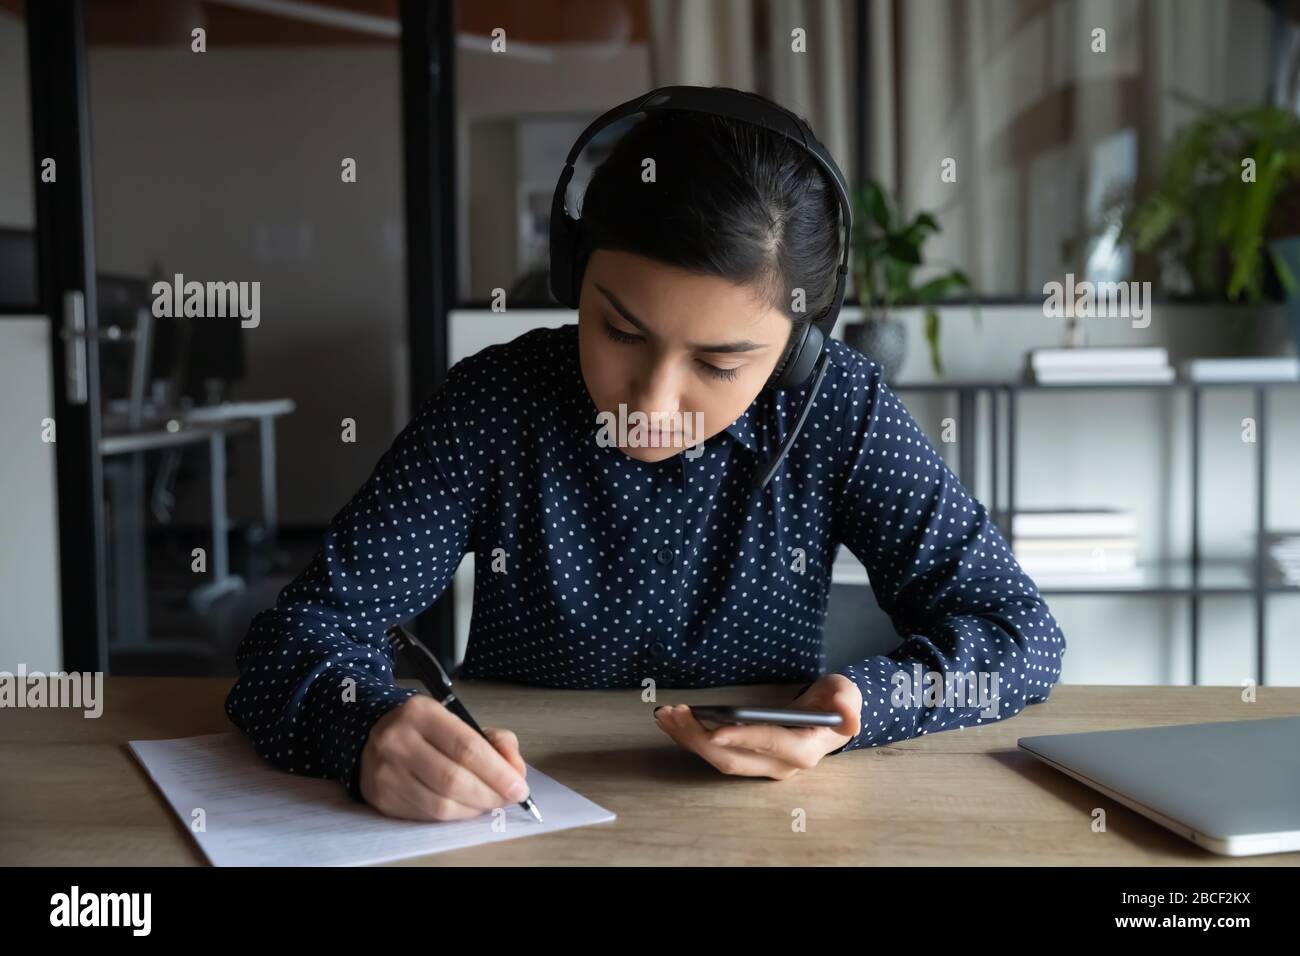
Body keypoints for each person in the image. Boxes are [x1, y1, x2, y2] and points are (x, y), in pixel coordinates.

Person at [225, 89, 1066, 822]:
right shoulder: (494, 402)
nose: (651, 404)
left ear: (799, 348)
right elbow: (294, 639)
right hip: (520, 813)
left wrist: (860, 706)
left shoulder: (836, 406)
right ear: (572, 275)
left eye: (720, 362)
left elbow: (1018, 635)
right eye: (620, 330)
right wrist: (365, 729)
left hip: (770, 830)